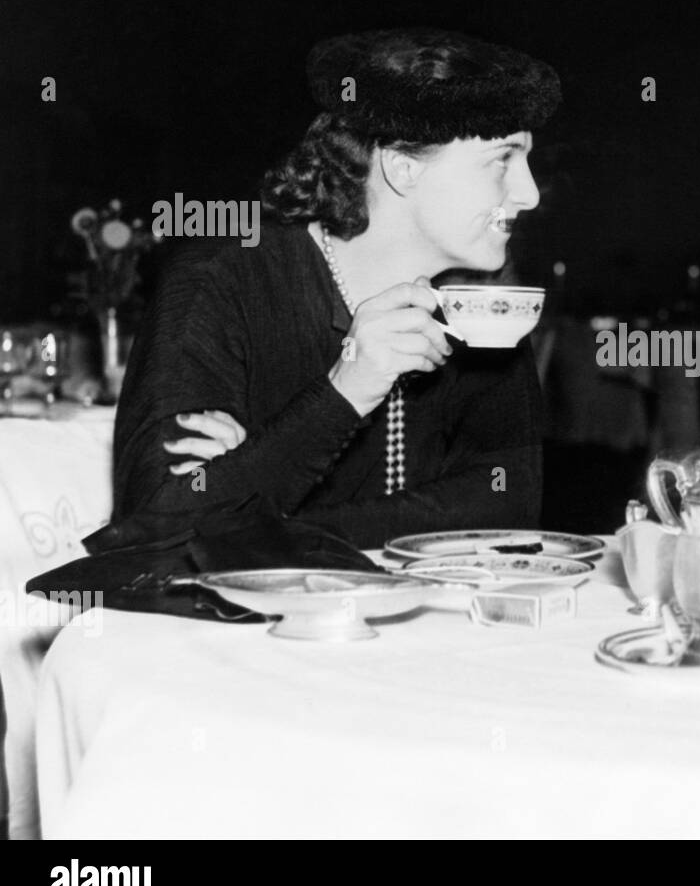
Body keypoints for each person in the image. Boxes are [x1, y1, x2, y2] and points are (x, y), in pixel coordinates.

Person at [92, 28, 560, 551]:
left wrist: (252, 508)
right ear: (402, 167)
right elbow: (151, 531)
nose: (530, 194)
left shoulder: (482, 306)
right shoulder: (222, 278)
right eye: (503, 159)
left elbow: (508, 507)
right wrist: (347, 389)